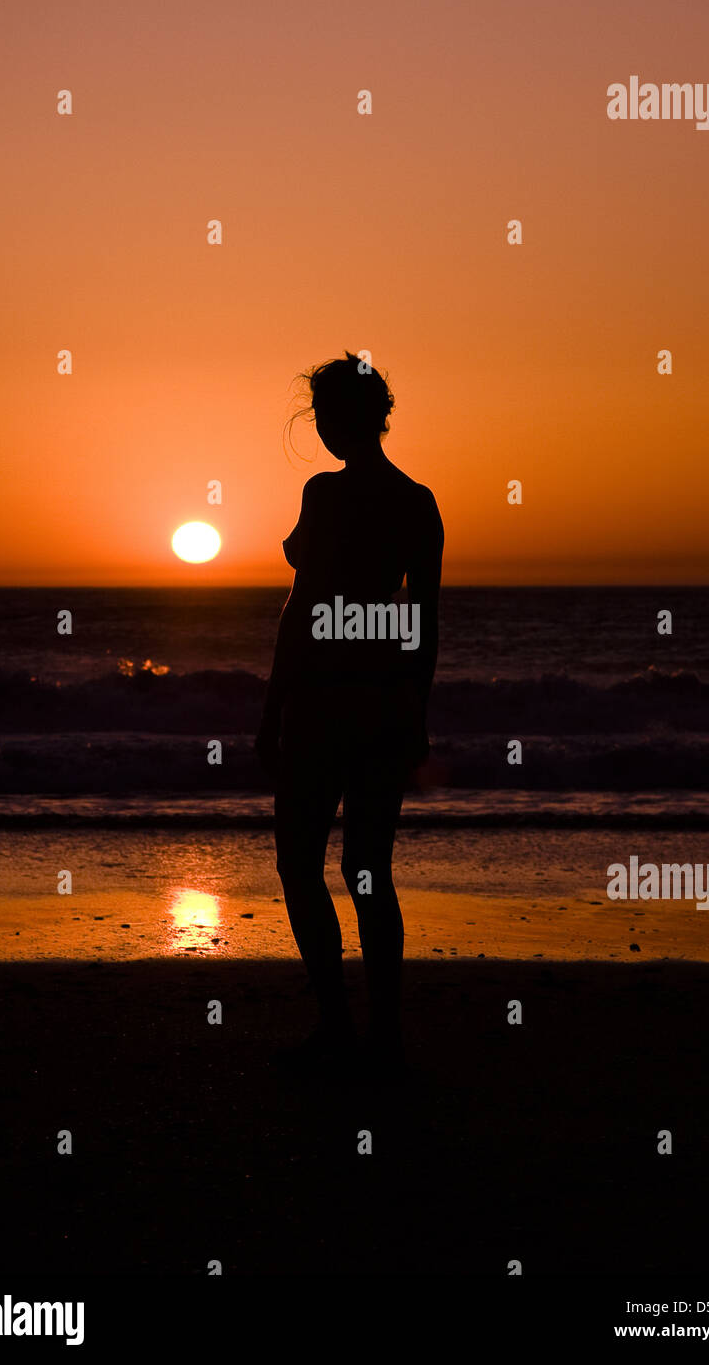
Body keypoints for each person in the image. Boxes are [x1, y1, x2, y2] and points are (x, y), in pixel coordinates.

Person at [256, 352, 444, 1074]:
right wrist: (416, 709)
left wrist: (272, 706)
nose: (322, 430)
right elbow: (422, 621)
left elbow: (301, 610)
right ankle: (383, 1035)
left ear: (341, 421)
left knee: (301, 864)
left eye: (324, 417)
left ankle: (338, 1025)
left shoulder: (325, 495)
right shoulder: (417, 501)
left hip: (323, 702)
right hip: (383, 702)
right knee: (369, 867)